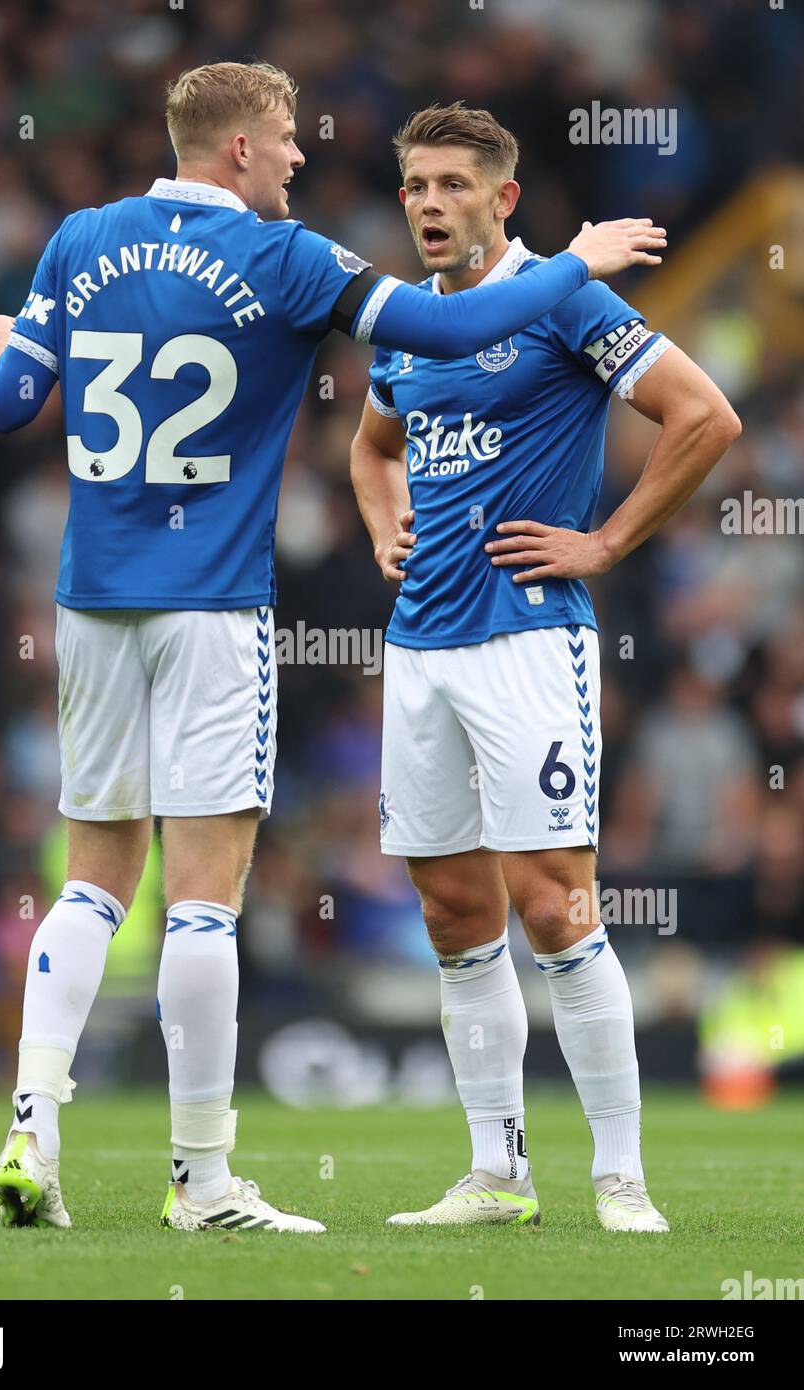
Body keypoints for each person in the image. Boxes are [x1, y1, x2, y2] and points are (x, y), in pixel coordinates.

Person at [0, 63, 665, 1235]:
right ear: (239, 150)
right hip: (212, 607)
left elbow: (3, 405)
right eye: (288, 139)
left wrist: (2, 340)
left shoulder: (79, 239)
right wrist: (574, 261)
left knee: (92, 877)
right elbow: (450, 321)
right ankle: (200, 1181)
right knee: (203, 900)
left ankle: (33, 1126)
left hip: (90, 606)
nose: (302, 156)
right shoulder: (284, 258)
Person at [350, 102, 740, 1233]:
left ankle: (620, 1177)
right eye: (416, 184)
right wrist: (384, 526)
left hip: (528, 639)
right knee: (453, 911)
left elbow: (703, 415)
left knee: (559, 907)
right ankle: (496, 1173)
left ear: (502, 198)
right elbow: (371, 447)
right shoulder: (406, 322)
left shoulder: (566, 296)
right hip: (420, 647)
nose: (428, 204)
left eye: (452, 185)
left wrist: (608, 541)